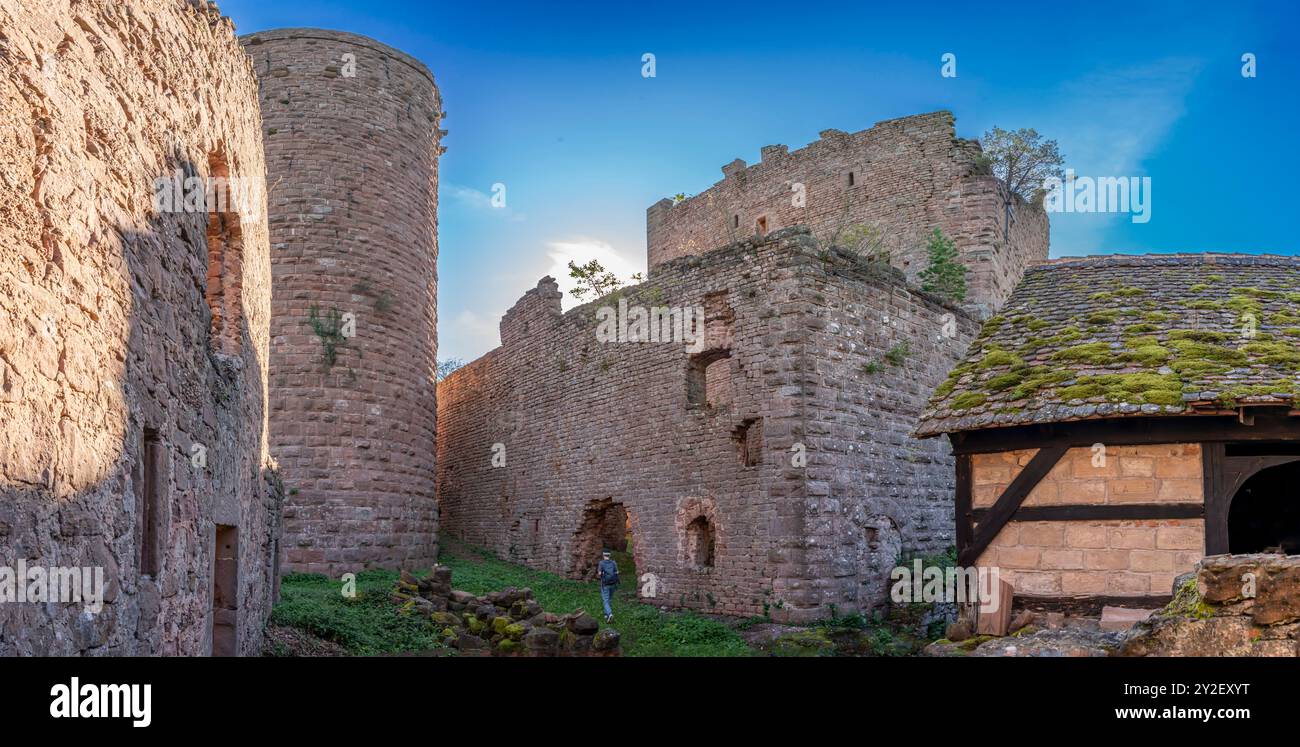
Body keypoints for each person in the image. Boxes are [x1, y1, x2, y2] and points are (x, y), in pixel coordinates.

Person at [597, 549, 620, 623]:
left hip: (605, 584)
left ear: (603, 555)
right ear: (609, 555)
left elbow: (599, 573)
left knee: (605, 600)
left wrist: (602, 574)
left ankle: (610, 614)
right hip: (613, 583)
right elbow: (617, 572)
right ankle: (606, 614)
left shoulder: (601, 563)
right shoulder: (613, 562)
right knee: (609, 599)